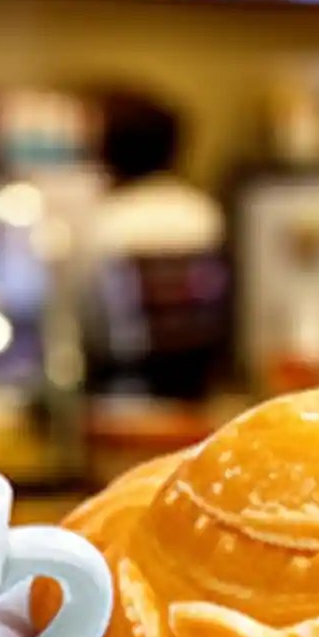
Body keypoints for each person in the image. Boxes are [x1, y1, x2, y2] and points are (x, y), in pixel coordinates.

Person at [83, 88, 227, 403]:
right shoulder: (201, 211)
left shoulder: (109, 220)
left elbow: (92, 320)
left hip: (122, 389)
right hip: (198, 388)